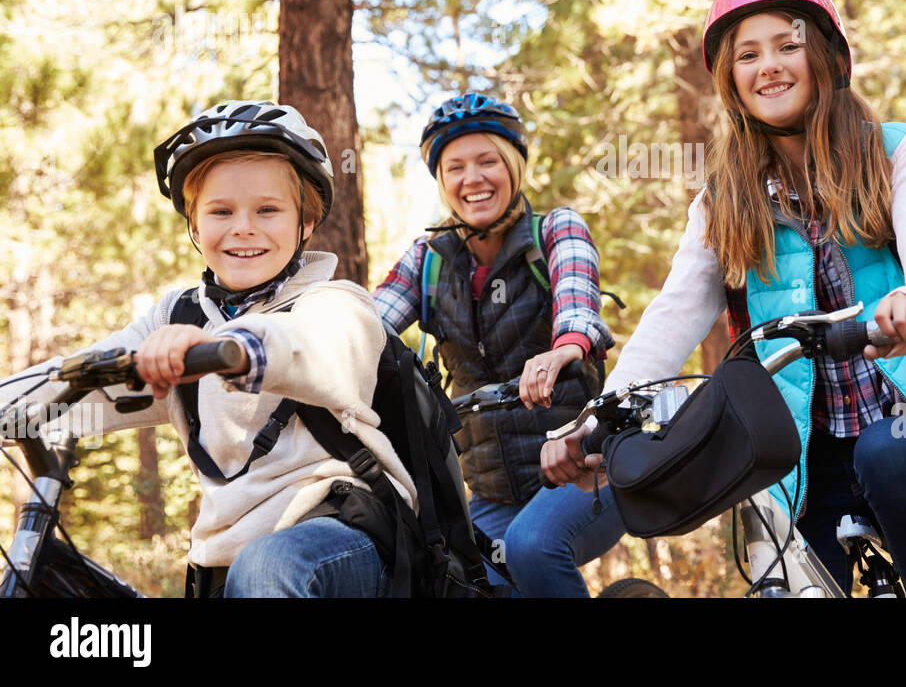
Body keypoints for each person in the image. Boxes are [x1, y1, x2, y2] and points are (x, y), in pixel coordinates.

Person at [543, 0, 906, 597]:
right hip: (796, 454)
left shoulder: (891, 150)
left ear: (828, 59)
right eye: (748, 55)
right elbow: (673, 315)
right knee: (784, 572)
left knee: (889, 453)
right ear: (731, 82)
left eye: (788, 44)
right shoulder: (724, 199)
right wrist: (604, 412)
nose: (769, 66)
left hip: (905, 422)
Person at [19, 100, 412, 597]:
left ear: (305, 223)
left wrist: (225, 347)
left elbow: (308, 349)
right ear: (195, 225)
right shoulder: (176, 317)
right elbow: (77, 385)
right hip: (223, 558)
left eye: (268, 210)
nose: (243, 227)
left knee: (268, 566)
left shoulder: (338, 303)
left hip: (350, 534)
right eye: (221, 211)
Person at [373, 93, 624, 597]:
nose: (473, 179)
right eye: (456, 167)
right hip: (488, 489)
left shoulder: (555, 230)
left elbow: (579, 304)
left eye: (488, 161)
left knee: (533, 548)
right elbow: (365, 324)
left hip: (584, 467)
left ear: (512, 167)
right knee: (456, 585)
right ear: (442, 181)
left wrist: (563, 350)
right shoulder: (428, 260)